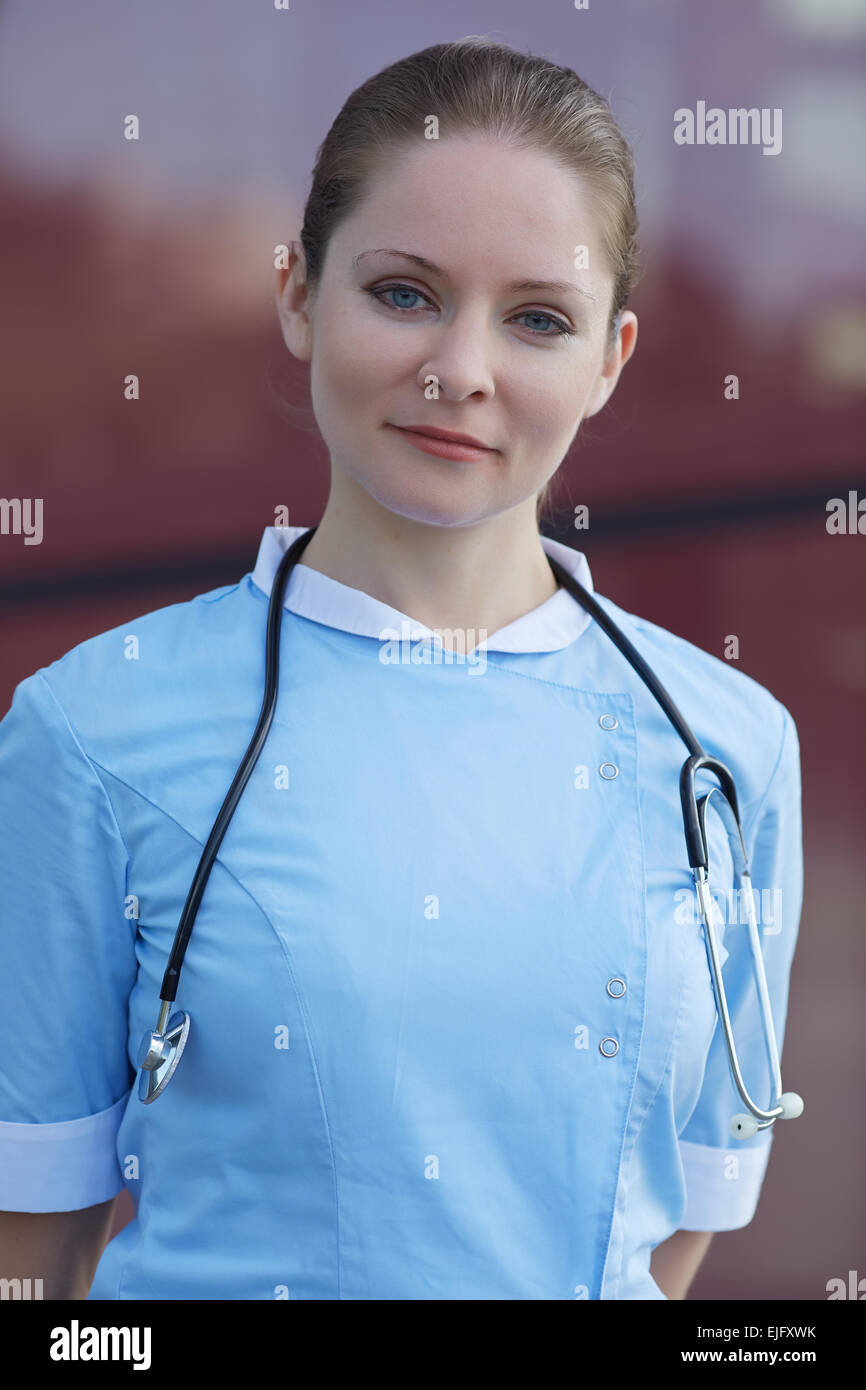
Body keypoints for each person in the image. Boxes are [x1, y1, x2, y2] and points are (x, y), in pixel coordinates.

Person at [0, 36, 803, 1301]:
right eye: (403, 293)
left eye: (536, 318)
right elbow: (33, 1252)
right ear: (297, 294)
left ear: (610, 360)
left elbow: (676, 1226)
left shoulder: (729, 747)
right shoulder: (88, 731)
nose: (458, 370)